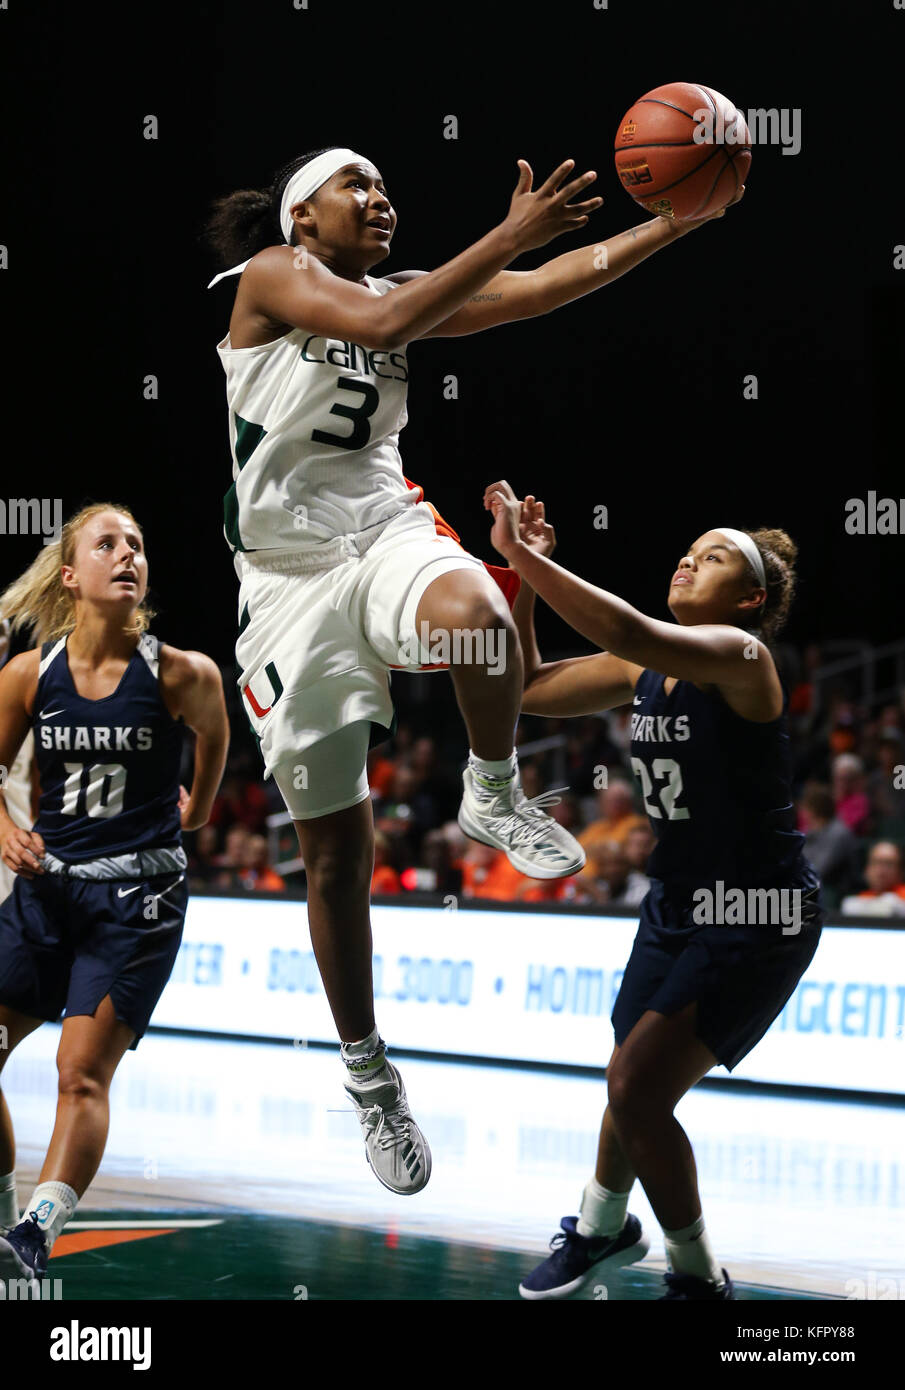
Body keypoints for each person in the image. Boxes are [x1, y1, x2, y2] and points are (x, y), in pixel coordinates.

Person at [203, 143, 742, 1196]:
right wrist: (505, 231)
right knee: (332, 855)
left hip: (379, 527)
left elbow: (541, 289)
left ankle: (490, 787)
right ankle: (368, 1074)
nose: (381, 198)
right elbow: (381, 326)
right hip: (284, 580)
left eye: (386, 184)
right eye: (357, 185)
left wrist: (673, 222)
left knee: (481, 610)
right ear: (300, 220)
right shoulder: (270, 280)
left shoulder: (406, 288)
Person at [485, 482, 822, 1301]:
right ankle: (602, 1230)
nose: (687, 557)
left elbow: (626, 625)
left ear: (748, 599)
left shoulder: (744, 660)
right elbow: (525, 685)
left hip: (756, 910)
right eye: (688, 547)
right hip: (674, 901)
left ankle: (697, 1277)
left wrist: (522, 555)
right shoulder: (645, 666)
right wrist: (526, 582)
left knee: (636, 1087)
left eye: (712, 557)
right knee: (626, 1081)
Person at [0, 505, 228, 1287]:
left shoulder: (180, 672)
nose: (127, 554)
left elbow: (217, 730)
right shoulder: (31, 676)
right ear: (71, 577)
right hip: (47, 892)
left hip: (138, 902)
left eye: (137, 543)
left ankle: (39, 1226)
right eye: (108, 544)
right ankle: (4, 1210)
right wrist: (2, 826)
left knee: (79, 1071)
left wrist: (198, 802)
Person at [840, 841, 905, 917]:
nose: (881, 870)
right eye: (876, 863)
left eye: (888, 864)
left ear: (901, 871)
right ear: (866, 869)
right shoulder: (862, 898)